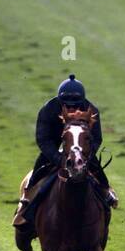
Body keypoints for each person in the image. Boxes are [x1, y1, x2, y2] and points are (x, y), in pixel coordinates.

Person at [13, 74, 116, 227]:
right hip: (54, 144)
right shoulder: (48, 110)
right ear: (60, 101)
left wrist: (84, 155)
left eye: (75, 104)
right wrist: (58, 158)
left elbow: (96, 138)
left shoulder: (91, 111)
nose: (72, 108)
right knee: (38, 171)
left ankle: (107, 192)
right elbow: (43, 139)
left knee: (97, 170)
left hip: (81, 148)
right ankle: (26, 203)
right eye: (67, 105)